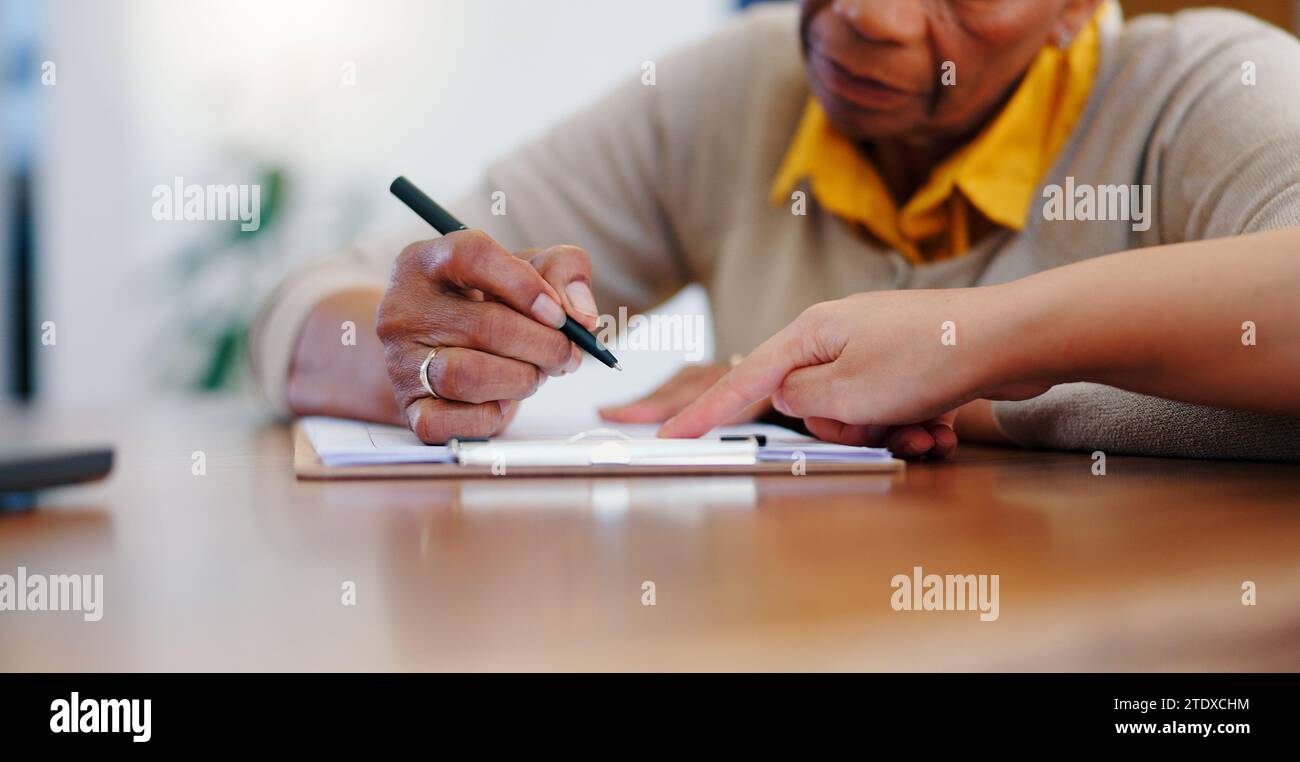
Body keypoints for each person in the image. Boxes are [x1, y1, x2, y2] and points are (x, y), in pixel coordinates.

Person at [252, 0, 1300, 460]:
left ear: (1080, 6)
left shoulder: (1202, 91)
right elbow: (302, 306)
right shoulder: (736, 86)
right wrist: (411, 353)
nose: (871, 18)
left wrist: (955, 370)